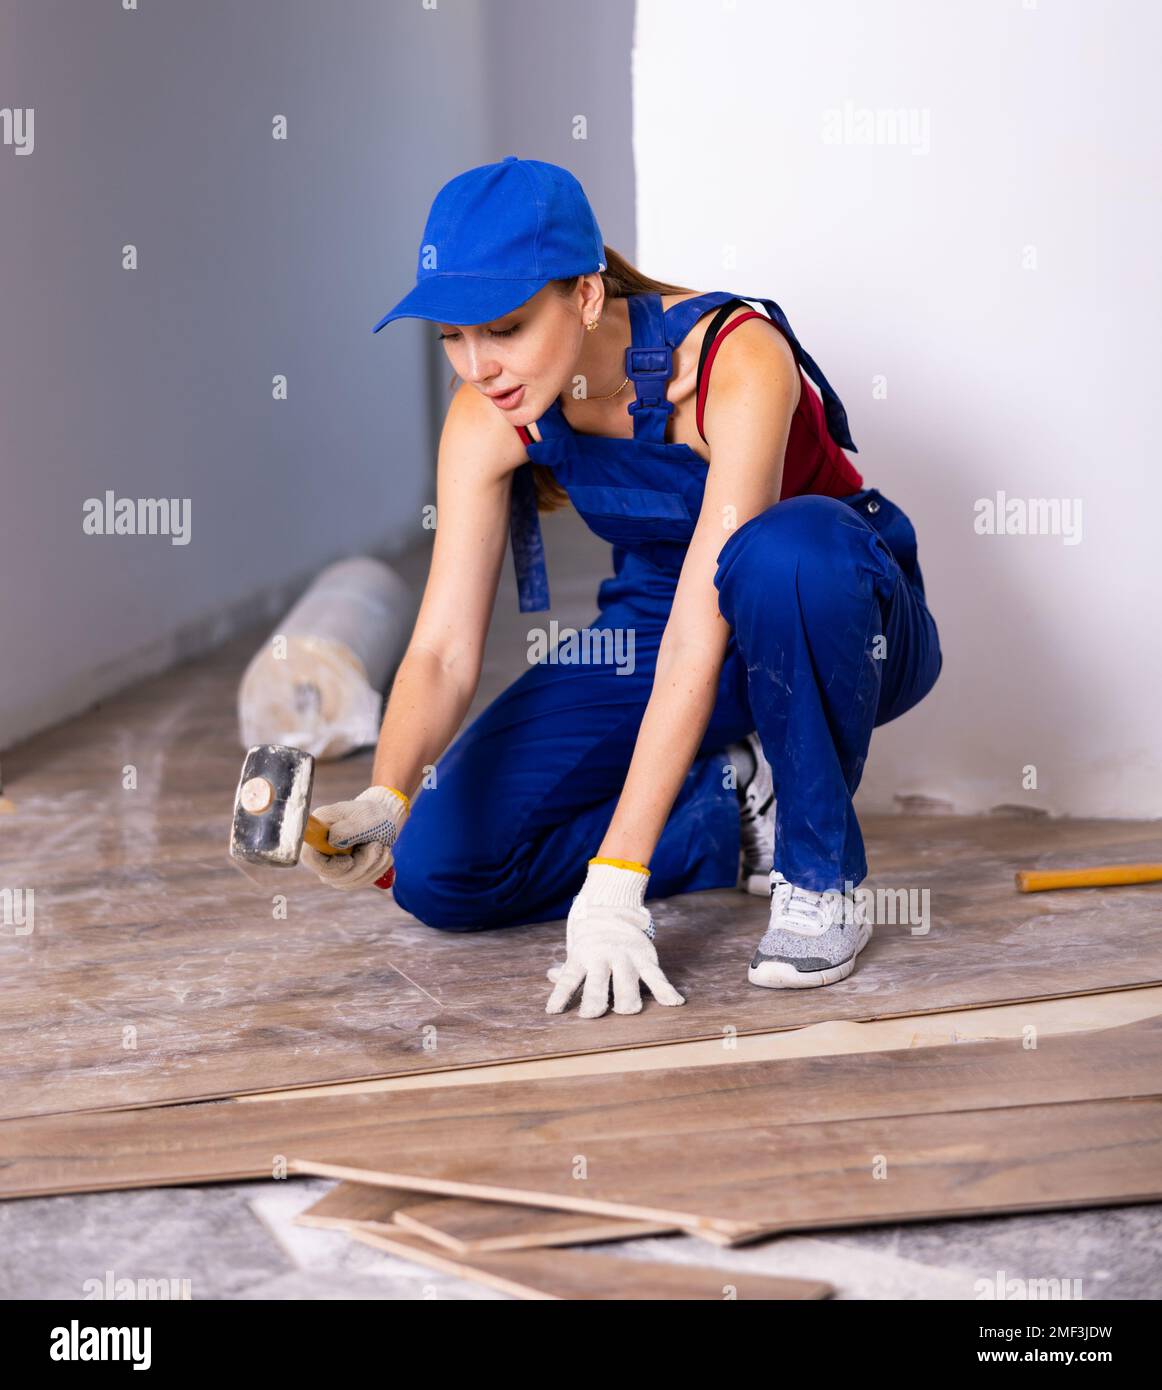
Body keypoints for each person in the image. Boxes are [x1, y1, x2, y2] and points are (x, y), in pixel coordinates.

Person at [302, 155, 943, 1019]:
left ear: (588, 296)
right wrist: (387, 794)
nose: (479, 365)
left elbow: (704, 618)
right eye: (452, 337)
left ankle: (819, 875)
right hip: (656, 620)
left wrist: (616, 879)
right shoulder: (493, 411)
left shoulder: (736, 359)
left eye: (505, 327)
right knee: (437, 869)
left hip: (837, 614)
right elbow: (444, 649)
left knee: (786, 550)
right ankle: (733, 808)